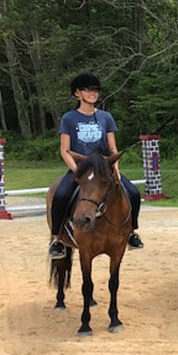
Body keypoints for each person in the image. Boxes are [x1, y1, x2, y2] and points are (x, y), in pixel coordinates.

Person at [48, 73, 144, 259]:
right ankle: (57, 239)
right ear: (77, 93)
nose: (93, 93)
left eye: (96, 90)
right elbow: (65, 150)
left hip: (103, 168)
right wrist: (77, 172)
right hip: (81, 168)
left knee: (133, 193)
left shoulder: (106, 117)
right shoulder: (69, 118)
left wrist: (115, 169)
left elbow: (112, 147)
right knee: (61, 195)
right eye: (88, 90)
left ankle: (132, 231)